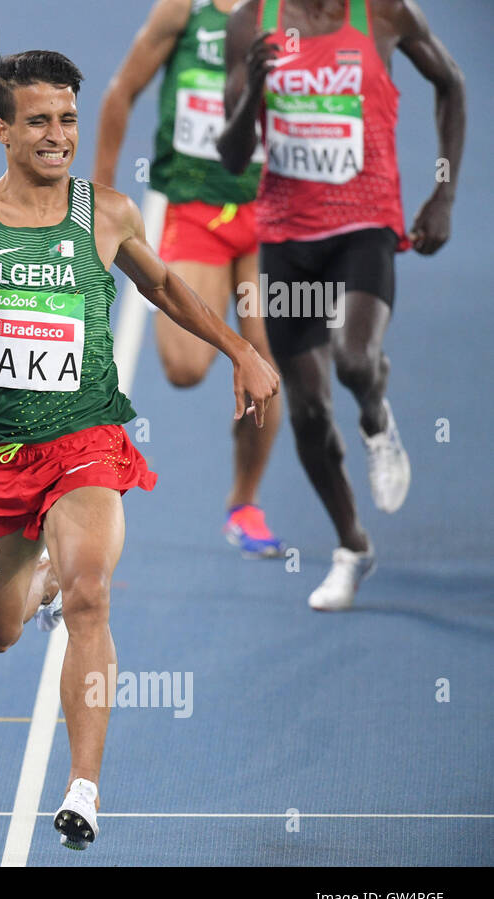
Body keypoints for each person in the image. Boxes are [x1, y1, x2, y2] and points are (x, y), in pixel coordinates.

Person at [0, 51, 278, 850]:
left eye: (67, 119)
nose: (58, 135)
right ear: (3, 130)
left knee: (92, 593)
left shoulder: (106, 212)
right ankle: (23, 576)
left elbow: (168, 289)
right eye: (38, 121)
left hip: (86, 440)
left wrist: (239, 350)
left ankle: (84, 788)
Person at [218, 0, 463, 609]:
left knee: (355, 361)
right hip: (286, 238)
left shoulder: (384, 14)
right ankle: (352, 546)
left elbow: (450, 84)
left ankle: (378, 421)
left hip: (365, 226)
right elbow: (230, 155)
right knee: (306, 413)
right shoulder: (251, 22)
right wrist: (253, 89)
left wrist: (443, 194)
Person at [95, 0, 284, 557]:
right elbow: (119, 93)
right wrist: (97, 200)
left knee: (268, 367)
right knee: (182, 368)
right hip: (197, 207)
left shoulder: (291, 14)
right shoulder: (184, 10)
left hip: (273, 212)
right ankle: (223, 304)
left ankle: (244, 503)